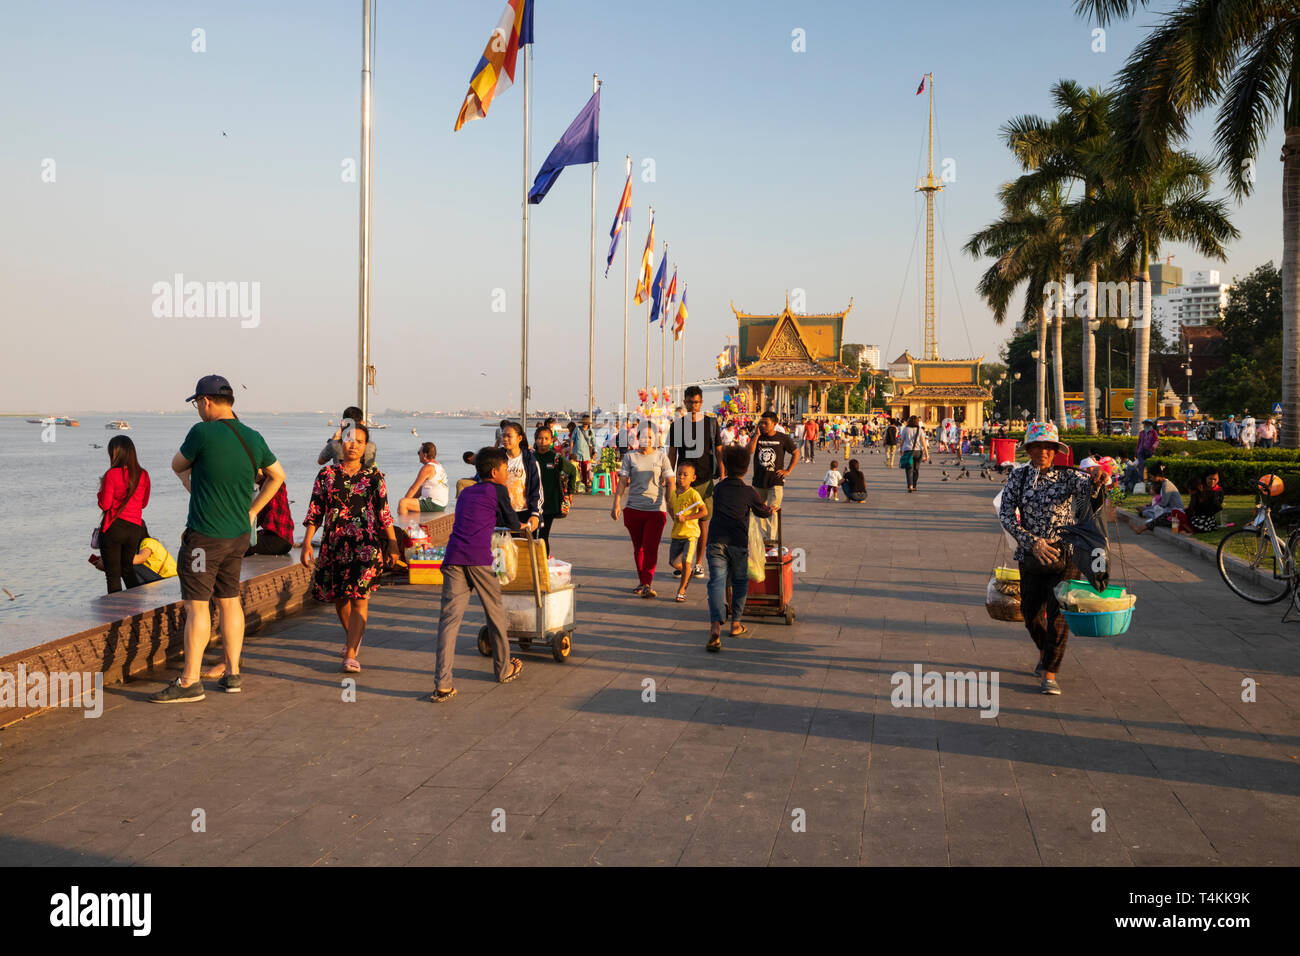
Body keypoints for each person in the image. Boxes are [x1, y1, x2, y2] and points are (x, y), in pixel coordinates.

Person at [152, 375, 285, 703]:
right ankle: (233, 673)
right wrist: (253, 511)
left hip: (204, 538)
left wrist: (193, 485)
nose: (198, 408)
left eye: (197, 402)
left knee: (197, 607)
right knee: (229, 601)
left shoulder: (201, 432)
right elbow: (277, 476)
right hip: (238, 535)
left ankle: (189, 682)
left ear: (207, 401)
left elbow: (177, 465)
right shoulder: (251, 436)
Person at [998, 421, 1107, 696]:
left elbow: (1094, 495)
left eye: (1049, 447)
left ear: (1055, 451)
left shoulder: (1069, 477)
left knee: (1058, 615)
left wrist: (1098, 479)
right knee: (1030, 614)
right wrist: (1032, 542)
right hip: (1031, 555)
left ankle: (1049, 673)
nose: (1043, 452)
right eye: (1038, 447)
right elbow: (1007, 515)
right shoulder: (1019, 477)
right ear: (1029, 449)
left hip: (1066, 555)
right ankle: (1047, 651)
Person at [300, 422, 403, 673]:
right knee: (340, 599)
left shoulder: (374, 476)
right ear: (340, 443)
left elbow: (384, 513)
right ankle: (353, 638)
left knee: (360, 599)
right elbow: (315, 511)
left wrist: (392, 543)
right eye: (348, 439)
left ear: (366, 446)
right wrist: (305, 542)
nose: (353, 444)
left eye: (359, 441)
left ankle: (352, 652)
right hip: (334, 546)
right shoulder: (326, 476)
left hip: (365, 547)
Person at [430, 447, 525, 702]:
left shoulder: (466, 492)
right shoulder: (498, 490)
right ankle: (504, 669)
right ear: (495, 472)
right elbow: (513, 524)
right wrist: (524, 524)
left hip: (453, 558)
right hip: (480, 559)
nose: (507, 473)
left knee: (449, 622)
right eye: (505, 469)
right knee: (495, 614)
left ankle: (442, 683)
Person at [706, 445, 774, 652]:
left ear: (725, 465)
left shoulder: (718, 489)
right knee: (740, 581)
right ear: (746, 469)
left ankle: (715, 628)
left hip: (716, 541)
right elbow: (763, 513)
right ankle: (736, 623)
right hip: (738, 543)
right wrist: (770, 508)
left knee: (717, 583)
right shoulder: (749, 492)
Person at [611, 422, 675, 598]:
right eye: (644, 436)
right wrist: (616, 502)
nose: (647, 439)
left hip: (656, 509)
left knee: (650, 547)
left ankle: (647, 583)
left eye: (651, 436)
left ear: (656, 438)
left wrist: (672, 502)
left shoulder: (662, 457)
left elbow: (671, 481)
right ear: (638, 438)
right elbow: (622, 481)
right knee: (638, 547)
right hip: (633, 509)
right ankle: (642, 582)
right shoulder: (630, 457)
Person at [667, 385, 721, 579]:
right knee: (681, 521)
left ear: (701, 402)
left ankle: (698, 563)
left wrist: (723, 474)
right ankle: (683, 561)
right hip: (682, 481)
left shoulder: (711, 424)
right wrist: (669, 477)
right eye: (689, 402)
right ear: (685, 402)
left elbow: (720, 451)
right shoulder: (677, 425)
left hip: (704, 480)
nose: (693, 405)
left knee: (703, 522)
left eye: (696, 402)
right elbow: (672, 453)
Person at [95, 435, 151, 594]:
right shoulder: (144, 474)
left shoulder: (111, 474)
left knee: (113, 574)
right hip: (134, 528)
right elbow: (143, 504)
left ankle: (116, 614)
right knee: (128, 570)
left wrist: (100, 492)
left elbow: (105, 505)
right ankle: (137, 608)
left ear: (115, 453)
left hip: (114, 528)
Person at [748, 411, 800, 540]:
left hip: (775, 481)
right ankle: (762, 537)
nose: (763, 425)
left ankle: (770, 539)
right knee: (758, 510)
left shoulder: (782, 438)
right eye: (761, 423)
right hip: (759, 480)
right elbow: (749, 451)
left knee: (773, 510)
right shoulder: (757, 436)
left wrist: (788, 470)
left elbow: (796, 453)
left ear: (775, 423)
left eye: (766, 423)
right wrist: (756, 435)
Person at [667, 462, 708, 602]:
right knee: (673, 562)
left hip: (690, 535)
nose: (681, 477)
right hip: (676, 534)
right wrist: (675, 517)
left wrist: (687, 518)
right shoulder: (674, 494)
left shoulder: (694, 494)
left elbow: (704, 511)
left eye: (685, 475)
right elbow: (670, 506)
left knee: (686, 561)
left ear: (693, 478)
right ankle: (687, 573)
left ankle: (681, 590)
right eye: (679, 474)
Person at [533, 424, 577, 552]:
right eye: (540, 438)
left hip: (550, 504)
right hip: (533, 504)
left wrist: (570, 492)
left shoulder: (556, 458)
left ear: (552, 440)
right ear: (535, 440)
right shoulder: (530, 458)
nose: (543, 442)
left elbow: (573, 471)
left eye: (546, 438)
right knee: (530, 536)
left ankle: (544, 563)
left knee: (543, 537)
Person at [89, 522, 177, 585]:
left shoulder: (148, 542)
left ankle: (138, 593)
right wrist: (106, 566)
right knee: (126, 564)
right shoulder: (135, 549)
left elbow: (141, 558)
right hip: (159, 579)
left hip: (170, 581)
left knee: (129, 563)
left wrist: (110, 560)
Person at [499, 422, 543, 534]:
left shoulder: (530, 461)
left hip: (524, 514)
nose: (505, 439)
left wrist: (535, 514)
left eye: (509, 436)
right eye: (503, 436)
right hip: (502, 515)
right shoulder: (497, 459)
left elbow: (536, 489)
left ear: (519, 438)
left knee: (524, 549)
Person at [245, 469, 294, 556]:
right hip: (279, 538)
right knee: (242, 539)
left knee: (242, 544)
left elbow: (258, 515)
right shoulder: (265, 486)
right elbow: (258, 516)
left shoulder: (273, 484)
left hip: (279, 540)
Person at [1134, 463, 1186, 534]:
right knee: (1154, 513)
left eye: (1151, 476)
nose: (1151, 478)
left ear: (1158, 476)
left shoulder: (1167, 485)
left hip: (1176, 515)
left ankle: (1141, 528)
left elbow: (1163, 504)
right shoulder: (1164, 484)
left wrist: (1147, 509)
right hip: (1171, 512)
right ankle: (1142, 527)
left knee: (1161, 517)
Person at [398, 442, 449, 514]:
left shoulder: (427, 468)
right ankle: (409, 522)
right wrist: (410, 500)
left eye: (419, 453)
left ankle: (403, 525)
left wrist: (402, 504)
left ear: (425, 455)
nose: (418, 455)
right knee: (409, 502)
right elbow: (419, 490)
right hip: (441, 503)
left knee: (403, 503)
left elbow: (413, 488)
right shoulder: (439, 466)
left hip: (434, 503)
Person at [1186, 468, 1224, 533]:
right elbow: (1193, 506)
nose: (1212, 481)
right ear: (1205, 478)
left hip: (1206, 519)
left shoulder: (1218, 491)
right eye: (1210, 479)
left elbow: (1216, 507)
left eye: (1215, 479)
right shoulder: (1199, 488)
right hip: (1198, 516)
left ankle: (1190, 530)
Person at [898, 415, 929, 493]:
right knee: (916, 469)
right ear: (917, 422)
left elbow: (901, 441)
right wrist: (927, 454)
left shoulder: (905, 429)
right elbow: (924, 442)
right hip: (918, 451)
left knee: (909, 469)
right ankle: (914, 485)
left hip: (908, 451)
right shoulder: (920, 430)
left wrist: (901, 449)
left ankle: (910, 486)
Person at [571, 416, 595, 490]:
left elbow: (594, 442)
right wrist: (570, 451)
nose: (585, 425)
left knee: (584, 470)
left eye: (586, 423)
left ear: (588, 424)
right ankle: (575, 484)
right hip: (576, 452)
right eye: (584, 423)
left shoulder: (591, 431)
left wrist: (595, 452)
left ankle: (584, 484)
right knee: (576, 469)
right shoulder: (577, 429)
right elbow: (572, 440)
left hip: (586, 453)